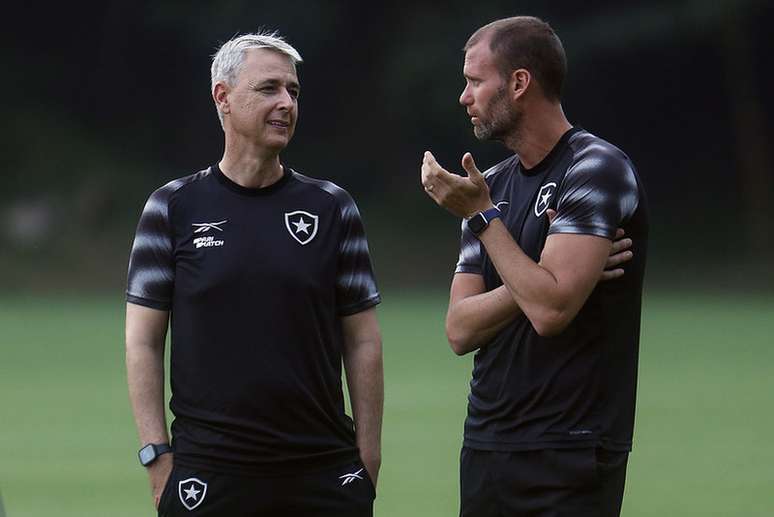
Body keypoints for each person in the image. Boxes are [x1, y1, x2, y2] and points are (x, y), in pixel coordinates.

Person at [126, 31, 383, 516]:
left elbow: (363, 340)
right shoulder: (171, 207)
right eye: (269, 89)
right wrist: (156, 454)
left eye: (293, 91)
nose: (286, 102)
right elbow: (142, 340)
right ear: (222, 97)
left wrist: (368, 454)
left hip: (322, 471)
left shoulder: (332, 207)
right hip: (209, 475)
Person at [420, 16, 648, 517]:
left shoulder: (594, 169)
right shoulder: (489, 186)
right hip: (487, 445)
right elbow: (459, 329)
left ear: (519, 83)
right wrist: (537, 276)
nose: (464, 96)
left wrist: (484, 221)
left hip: (571, 450)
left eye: (475, 81)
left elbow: (550, 311)